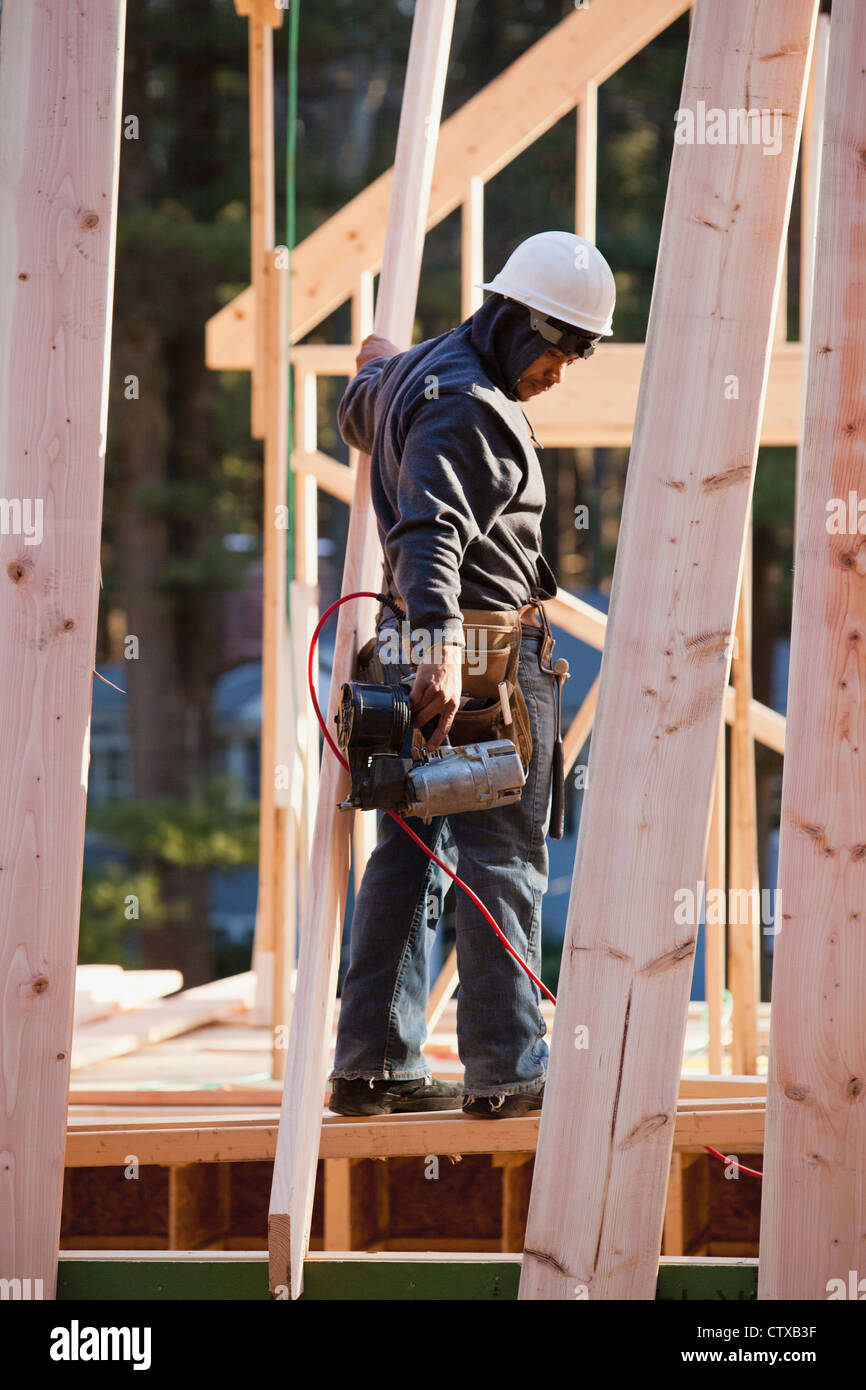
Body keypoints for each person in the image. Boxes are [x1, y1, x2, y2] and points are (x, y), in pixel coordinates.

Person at [327, 231, 616, 1118]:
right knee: (504, 860)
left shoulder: (420, 377)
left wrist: (374, 365)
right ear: (523, 322)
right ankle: (509, 1071)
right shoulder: (473, 408)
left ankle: (373, 1065)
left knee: (413, 854)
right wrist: (447, 645)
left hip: (412, 648)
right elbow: (430, 532)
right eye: (560, 351)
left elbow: (358, 413)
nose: (560, 374)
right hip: (478, 657)